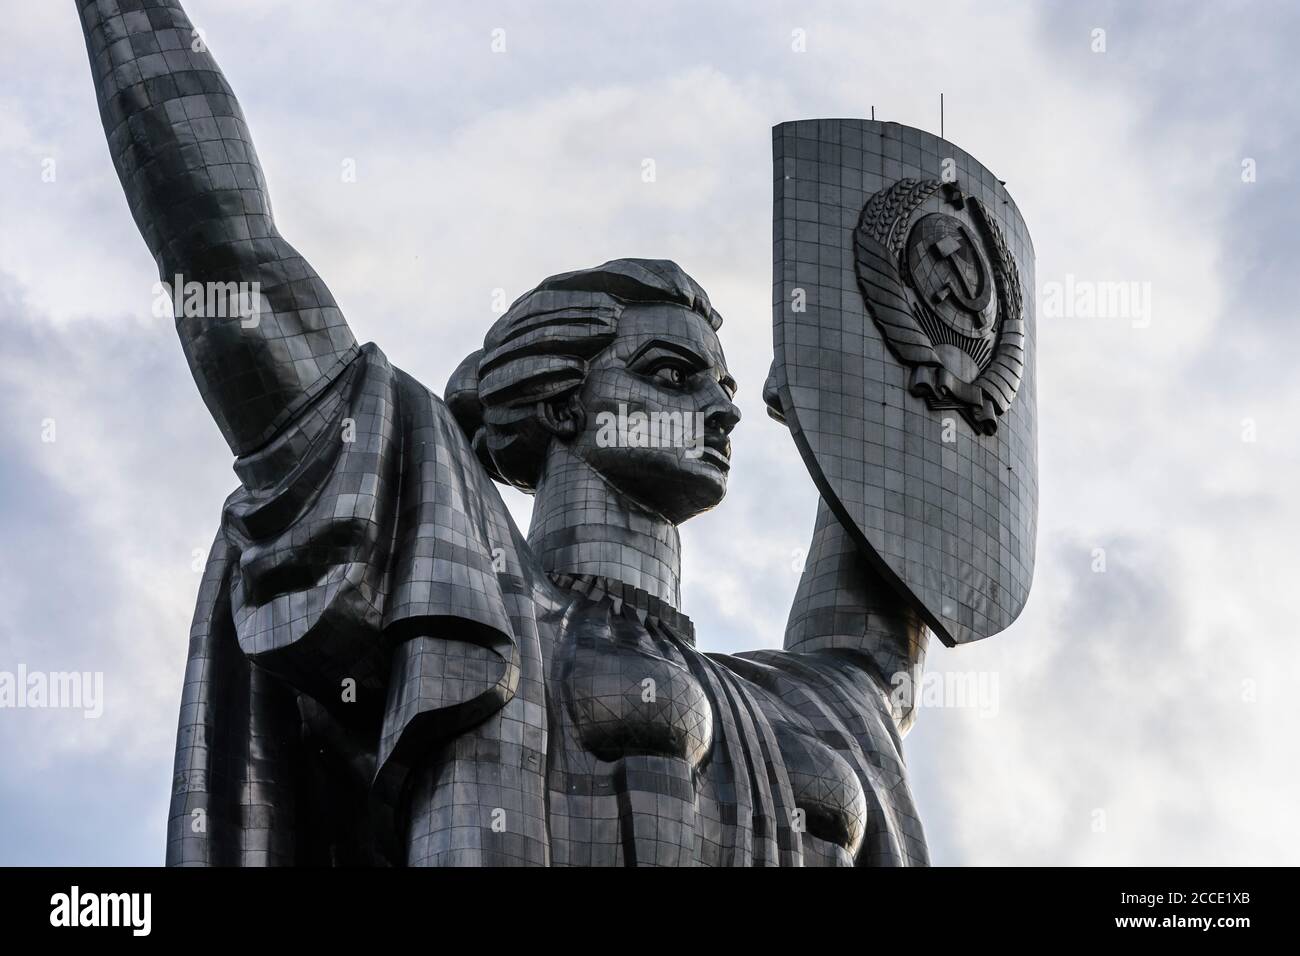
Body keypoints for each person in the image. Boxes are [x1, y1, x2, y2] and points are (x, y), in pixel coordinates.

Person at [74, 0, 929, 866]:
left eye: (727, 385)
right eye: (673, 374)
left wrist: (849, 398)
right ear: (560, 406)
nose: (724, 409)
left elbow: (892, 574)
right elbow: (230, 255)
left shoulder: (805, 704)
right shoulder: (459, 571)